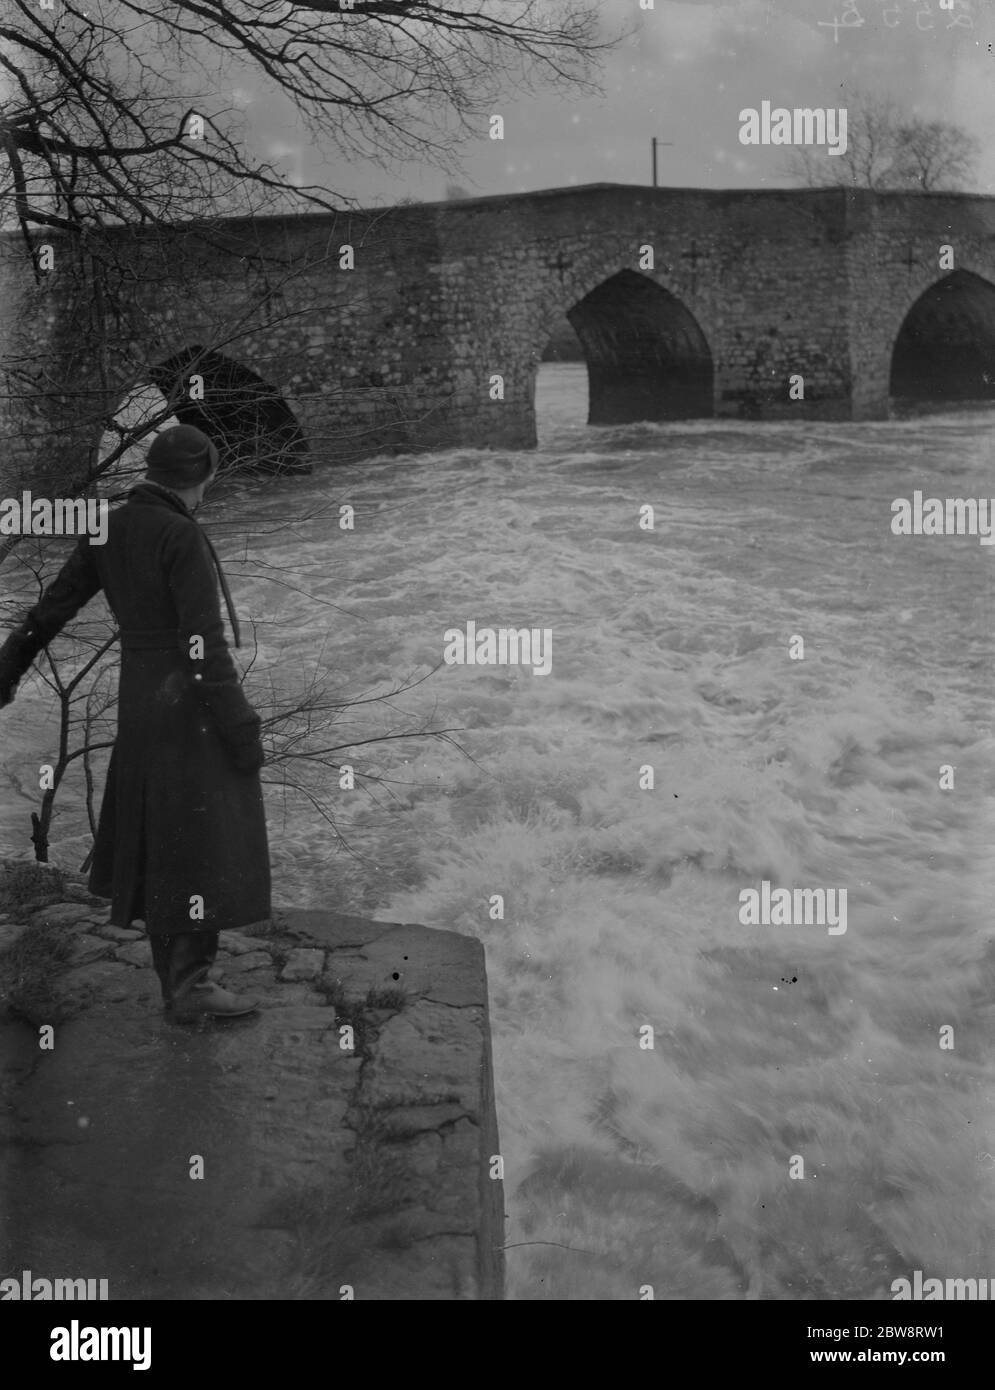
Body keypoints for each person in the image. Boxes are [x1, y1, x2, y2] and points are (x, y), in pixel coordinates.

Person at [0, 425, 270, 1023]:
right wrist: (238, 723)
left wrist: (9, 666)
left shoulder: (108, 526)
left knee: (160, 832)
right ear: (203, 476)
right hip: (187, 702)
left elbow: (52, 608)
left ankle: (179, 981)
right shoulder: (181, 534)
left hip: (140, 697)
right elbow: (202, 644)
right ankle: (191, 986)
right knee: (198, 840)